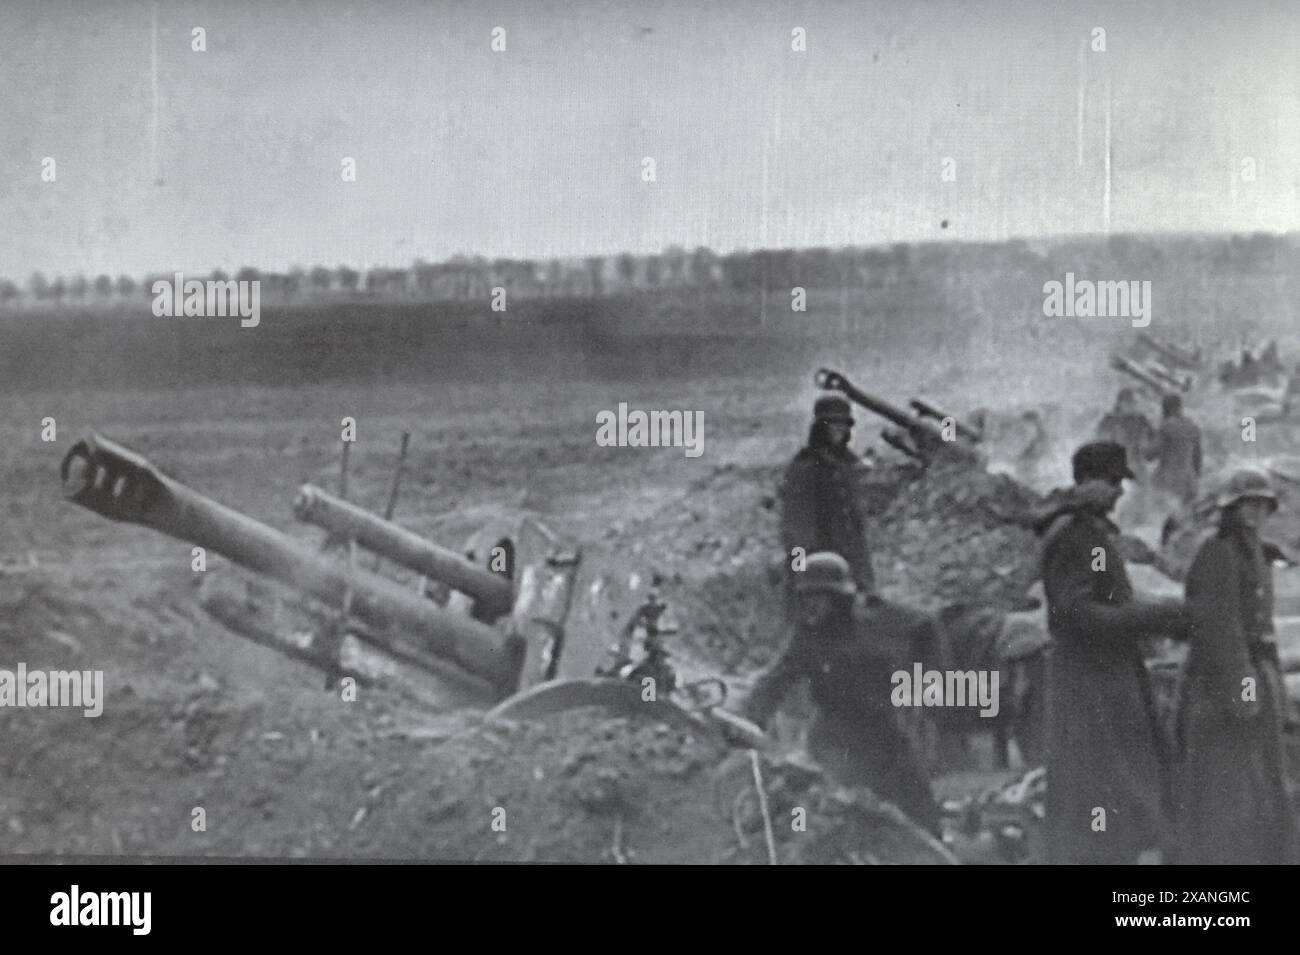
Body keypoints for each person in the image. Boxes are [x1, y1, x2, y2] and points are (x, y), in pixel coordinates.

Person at [1035, 441, 1187, 864]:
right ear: (1087, 481)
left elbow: (1100, 597)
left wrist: (1142, 615)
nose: (1120, 492)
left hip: (1104, 670)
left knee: (1116, 776)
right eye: (1113, 481)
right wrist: (1152, 617)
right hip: (1092, 676)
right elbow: (1076, 610)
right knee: (1105, 779)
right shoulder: (1078, 537)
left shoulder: (1090, 535)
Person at [740, 551, 940, 836]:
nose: (811, 607)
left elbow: (926, 625)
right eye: (806, 599)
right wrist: (752, 722)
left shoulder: (880, 620)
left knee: (923, 819)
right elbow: (775, 680)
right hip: (835, 739)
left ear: (838, 597)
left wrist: (927, 687)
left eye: (818, 598)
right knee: (846, 818)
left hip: (887, 735)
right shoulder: (809, 636)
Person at [1174, 465, 1299, 864]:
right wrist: (1244, 690)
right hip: (1221, 684)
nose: (1257, 513)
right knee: (1226, 782)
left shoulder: (1254, 552)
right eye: (1248, 505)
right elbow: (1222, 629)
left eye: (1263, 505)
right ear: (1231, 508)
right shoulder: (1218, 553)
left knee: (1262, 777)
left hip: (1255, 673)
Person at [778, 395, 875, 595]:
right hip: (817, 572)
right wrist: (798, 573)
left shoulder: (848, 465)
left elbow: (857, 529)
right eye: (833, 423)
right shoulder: (805, 467)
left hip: (850, 565)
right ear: (821, 427)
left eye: (844, 423)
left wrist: (865, 581)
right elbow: (795, 528)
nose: (840, 429)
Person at [1147, 394, 1202, 505]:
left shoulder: (1166, 426)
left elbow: (1151, 454)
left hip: (1167, 481)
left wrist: (1147, 441)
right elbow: (1198, 459)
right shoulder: (1192, 427)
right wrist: (1195, 480)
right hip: (1188, 481)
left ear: (1167, 408)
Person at [1096, 388, 1155, 482]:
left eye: (1133, 402)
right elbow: (1099, 440)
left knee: (1144, 488)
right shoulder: (1110, 419)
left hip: (1137, 463)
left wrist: (1146, 447)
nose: (1132, 405)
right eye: (1129, 402)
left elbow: (1153, 437)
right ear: (1120, 403)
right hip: (1115, 463)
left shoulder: (1140, 419)